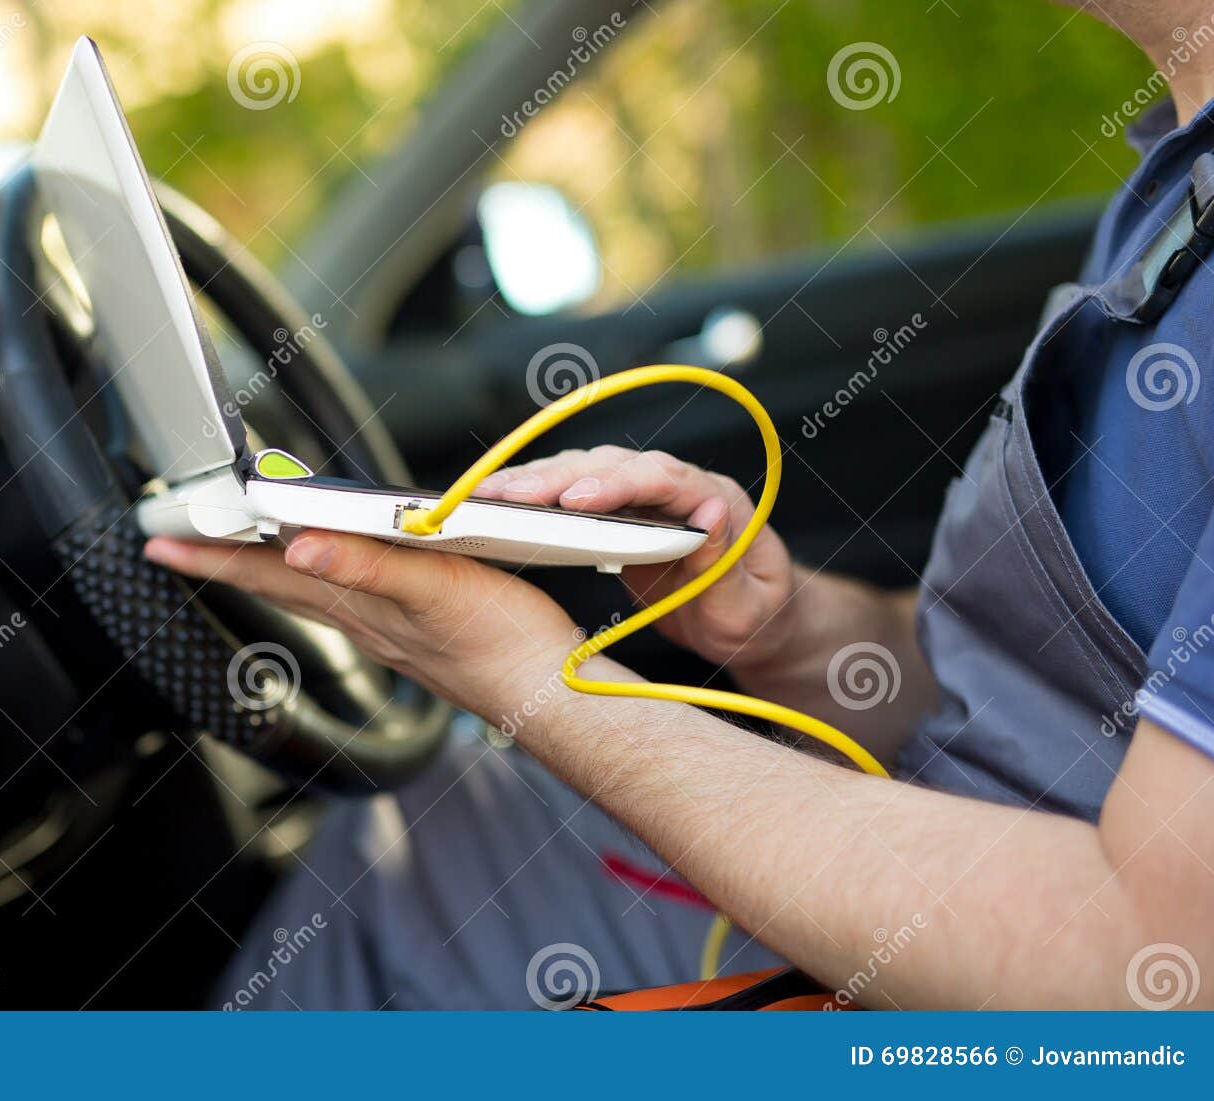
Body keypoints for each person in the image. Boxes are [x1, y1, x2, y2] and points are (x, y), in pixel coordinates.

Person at [147, 0, 1214, 1010]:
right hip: (962, 876)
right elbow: (1048, 708)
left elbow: (1149, 971)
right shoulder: (1178, 194)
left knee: (403, 878)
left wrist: (533, 681)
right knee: (440, 817)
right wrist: (789, 629)